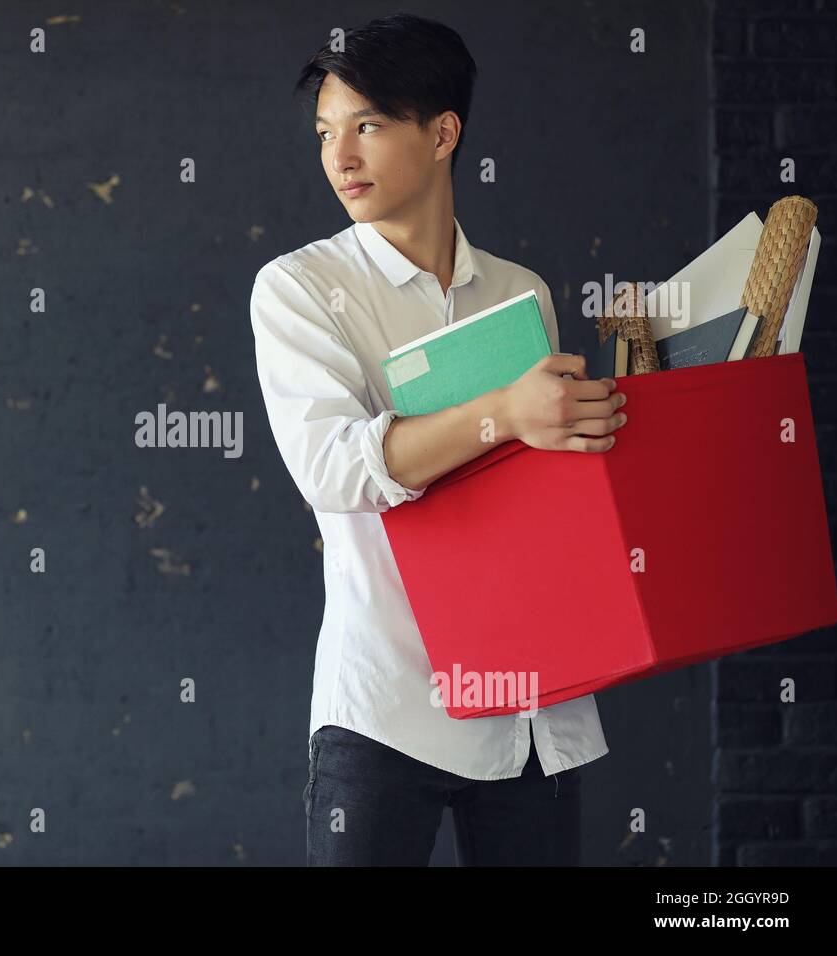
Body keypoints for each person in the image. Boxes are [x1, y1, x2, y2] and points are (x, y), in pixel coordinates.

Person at [249, 13, 628, 866]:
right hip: (385, 705)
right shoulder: (301, 288)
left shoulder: (518, 291)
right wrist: (504, 411)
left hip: (533, 703)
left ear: (444, 132)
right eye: (325, 133)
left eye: (369, 126)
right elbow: (331, 467)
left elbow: (541, 492)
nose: (339, 157)